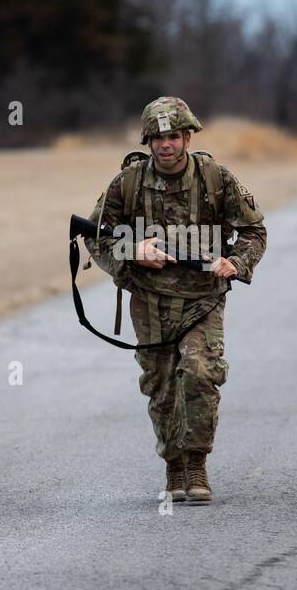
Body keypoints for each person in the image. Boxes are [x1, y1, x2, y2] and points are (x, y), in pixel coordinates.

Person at [85, 97, 267, 504]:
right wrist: (132, 252)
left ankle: (197, 463)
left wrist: (235, 262)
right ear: (148, 141)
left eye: (173, 137)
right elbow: (96, 236)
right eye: (157, 138)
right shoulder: (127, 183)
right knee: (162, 386)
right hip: (150, 301)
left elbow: (254, 232)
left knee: (200, 373)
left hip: (203, 300)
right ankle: (174, 466)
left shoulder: (215, 178)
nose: (165, 145)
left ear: (187, 137)